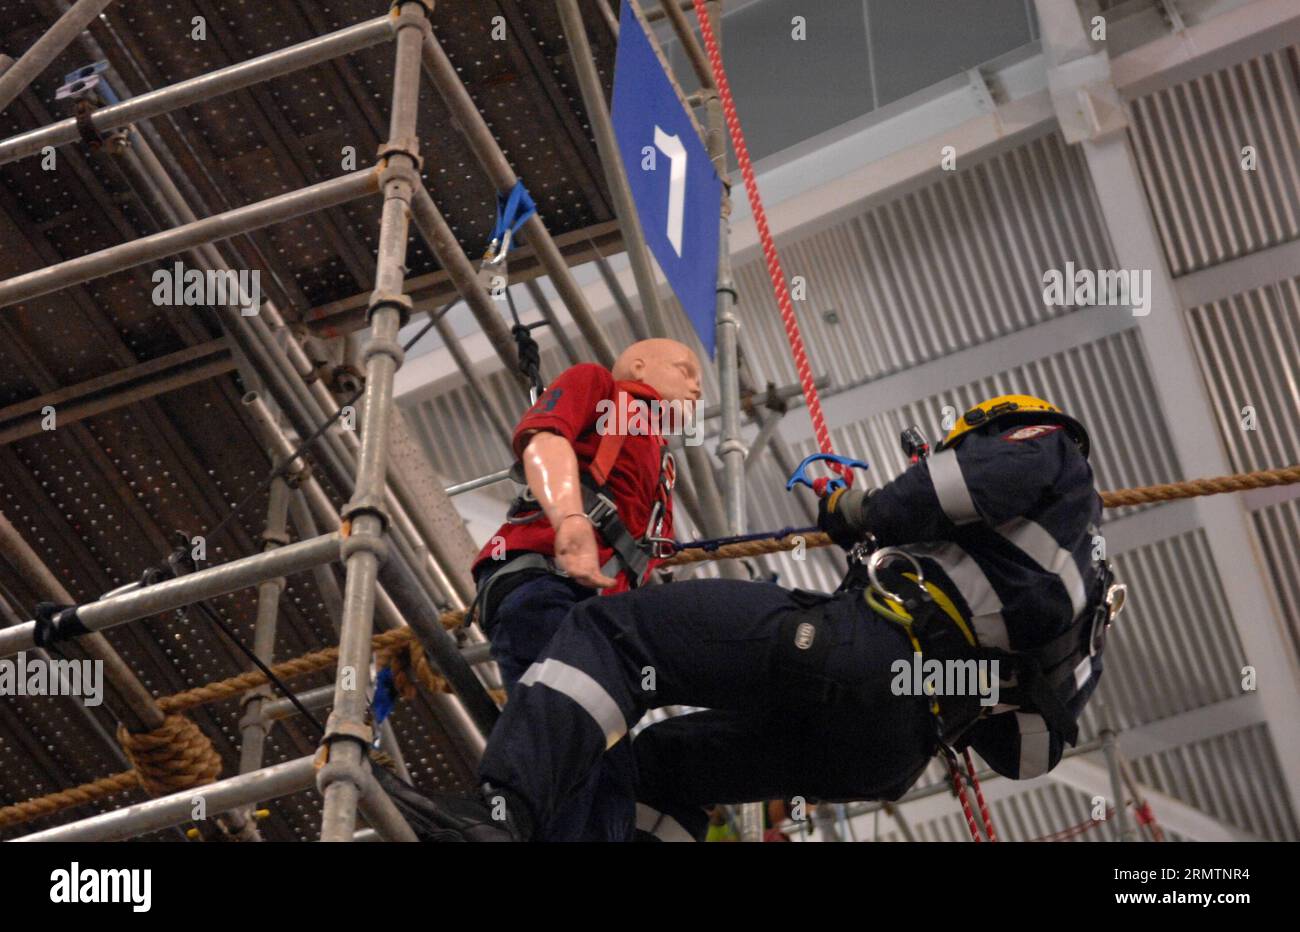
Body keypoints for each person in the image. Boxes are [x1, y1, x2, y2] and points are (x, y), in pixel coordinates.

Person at [435, 394, 1121, 842]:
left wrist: (859, 509)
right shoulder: (1089, 606)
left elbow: (944, 488)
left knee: (611, 634)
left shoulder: (1047, 448)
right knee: (665, 769)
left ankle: (503, 817)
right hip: (888, 750)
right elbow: (1029, 754)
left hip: (865, 653)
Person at [468, 338, 702, 841]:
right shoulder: (599, 385)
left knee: (611, 788)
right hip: (548, 583)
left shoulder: (661, 465)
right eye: (685, 369)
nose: (697, 385)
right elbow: (545, 440)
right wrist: (570, 517)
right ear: (639, 365)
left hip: (598, 621)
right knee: (567, 753)